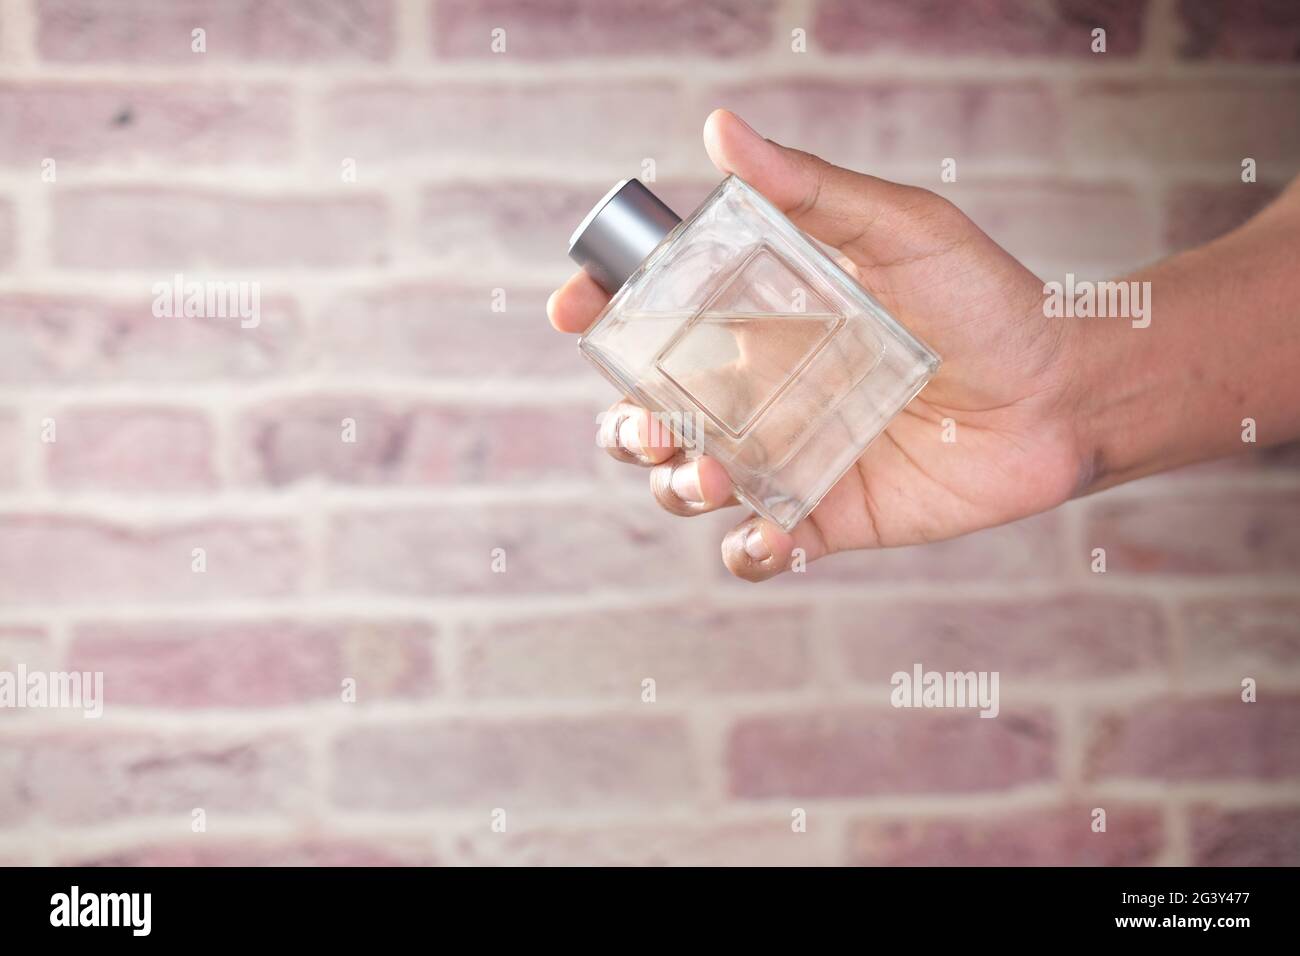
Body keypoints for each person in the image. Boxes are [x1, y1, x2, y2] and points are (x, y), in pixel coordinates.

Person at [546, 110, 1300, 582]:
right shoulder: (632, 318)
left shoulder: (725, 224)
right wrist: (1059, 405)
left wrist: (1055, 396)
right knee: (676, 434)